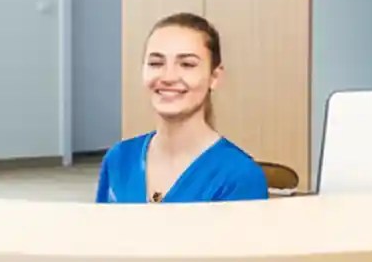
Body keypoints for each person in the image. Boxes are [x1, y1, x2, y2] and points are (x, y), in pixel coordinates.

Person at [95, 13, 268, 204]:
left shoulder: (239, 175)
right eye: (156, 63)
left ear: (215, 77)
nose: (168, 77)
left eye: (187, 64)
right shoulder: (119, 158)